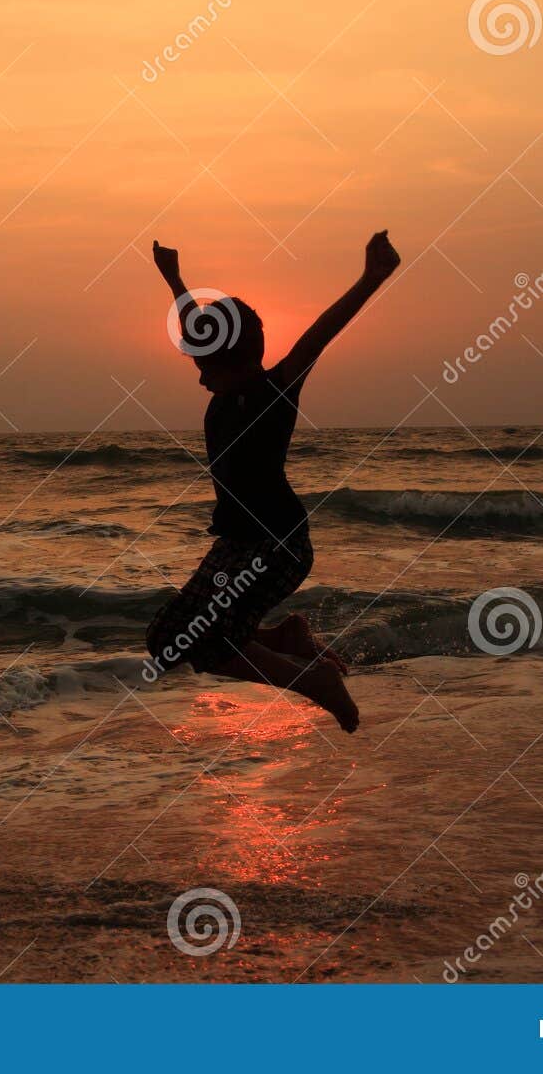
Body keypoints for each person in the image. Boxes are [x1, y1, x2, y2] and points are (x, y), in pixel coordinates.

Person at [143, 231, 402, 732]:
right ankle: (286, 639)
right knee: (168, 636)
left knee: (208, 641)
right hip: (237, 544)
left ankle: (315, 680)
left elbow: (319, 335)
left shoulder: (273, 393)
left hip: (277, 545)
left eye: (206, 366)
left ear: (236, 362)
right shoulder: (225, 394)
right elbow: (200, 328)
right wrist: (174, 278)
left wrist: (371, 278)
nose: (199, 377)